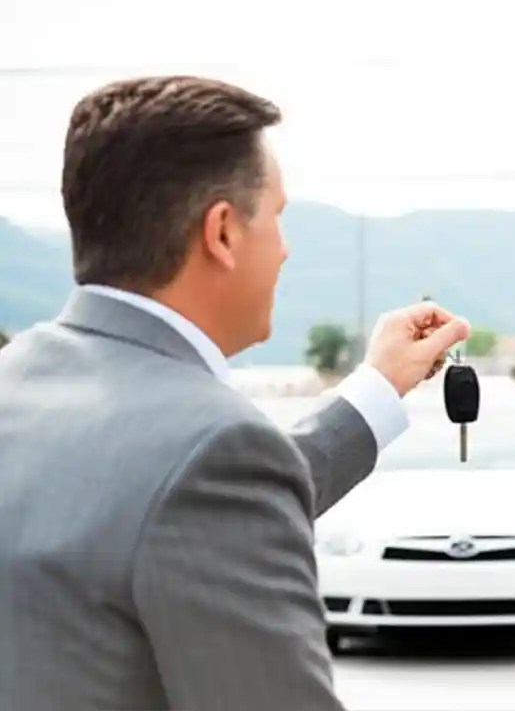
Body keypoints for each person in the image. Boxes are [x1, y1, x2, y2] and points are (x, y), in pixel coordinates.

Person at [0, 75, 469, 711]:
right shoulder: (212, 452)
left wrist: (377, 389)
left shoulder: (20, 378)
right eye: (276, 216)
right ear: (222, 232)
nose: (285, 248)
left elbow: (158, 502)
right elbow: (199, 488)